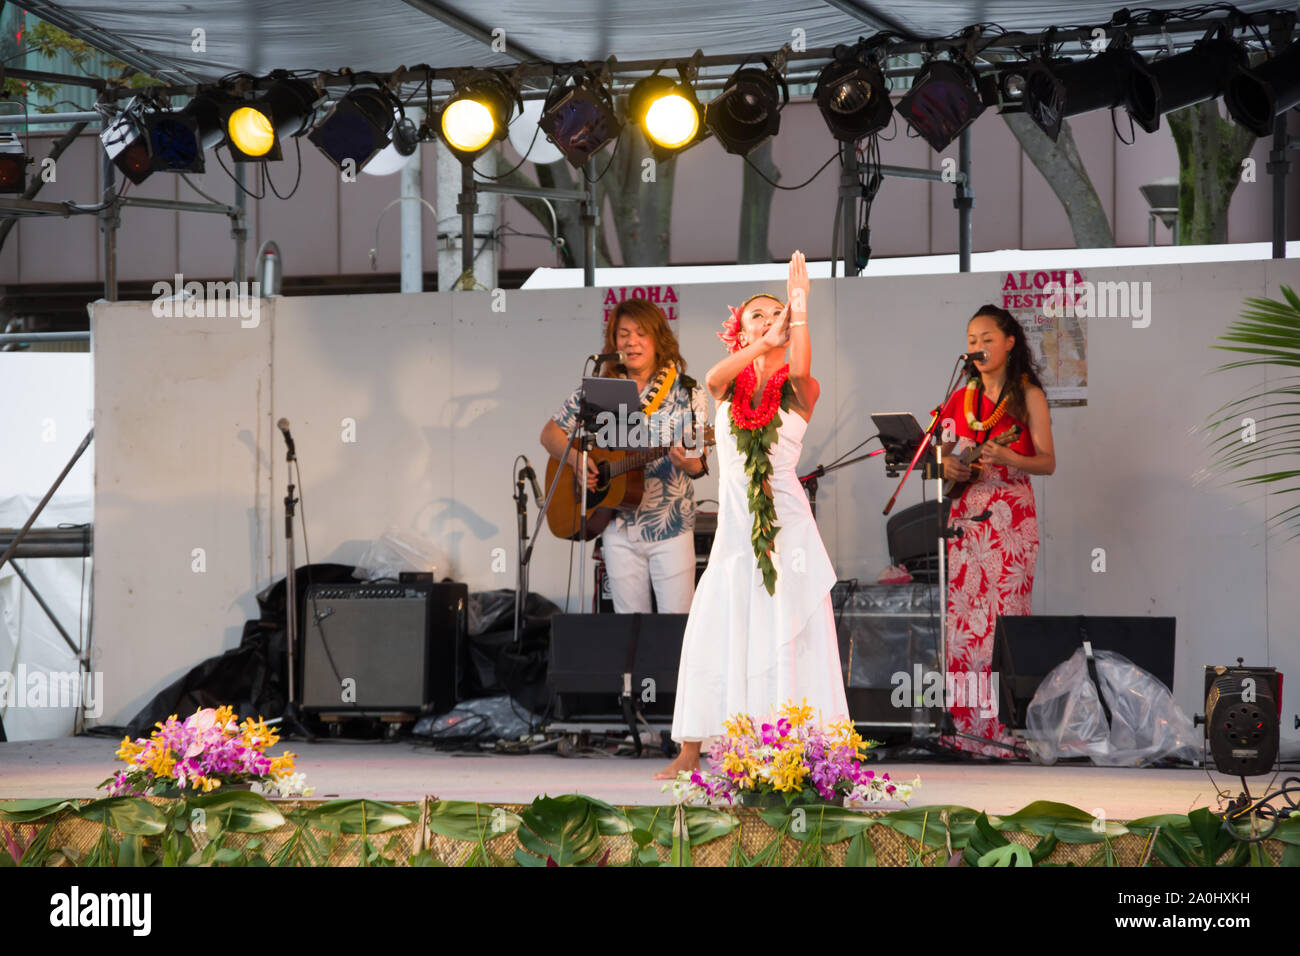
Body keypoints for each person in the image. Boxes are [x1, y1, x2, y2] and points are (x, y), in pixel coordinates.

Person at [656, 251, 848, 779]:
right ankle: (692, 750)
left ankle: (795, 746)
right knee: (713, 627)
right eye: (755, 316)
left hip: (786, 529)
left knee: (786, 629)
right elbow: (715, 376)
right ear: (739, 332)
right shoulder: (724, 389)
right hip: (736, 534)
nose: (768, 319)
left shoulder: (799, 389)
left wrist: (801, 305)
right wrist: (762, 345)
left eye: (774, 312)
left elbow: (804, 366)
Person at [540, 299, 709, 613]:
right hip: (617, 524)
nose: (631, 341)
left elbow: (697, 462)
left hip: (670, 529)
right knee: (629, 631)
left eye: (641, 333)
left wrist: (686, 461)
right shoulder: (603, 390)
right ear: (613, 342)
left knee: (676, 628)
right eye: (623, 334)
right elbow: (549, 434)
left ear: (659, 339)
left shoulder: (688, 391)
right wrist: (578, 461)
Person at [938, 305, 1056, 757]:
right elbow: (943, 452)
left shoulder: (1027, 395)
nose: (977, 347)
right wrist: (946, 463)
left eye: (986, 338)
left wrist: (1009, 459)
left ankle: (1000, 729)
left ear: (1009, 343)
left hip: (1010, 520)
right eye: (971, 340)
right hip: (965, 518)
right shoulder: (960, 396)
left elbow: (1047, 461)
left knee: (1001, 623)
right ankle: (963, 726)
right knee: (964, 625)